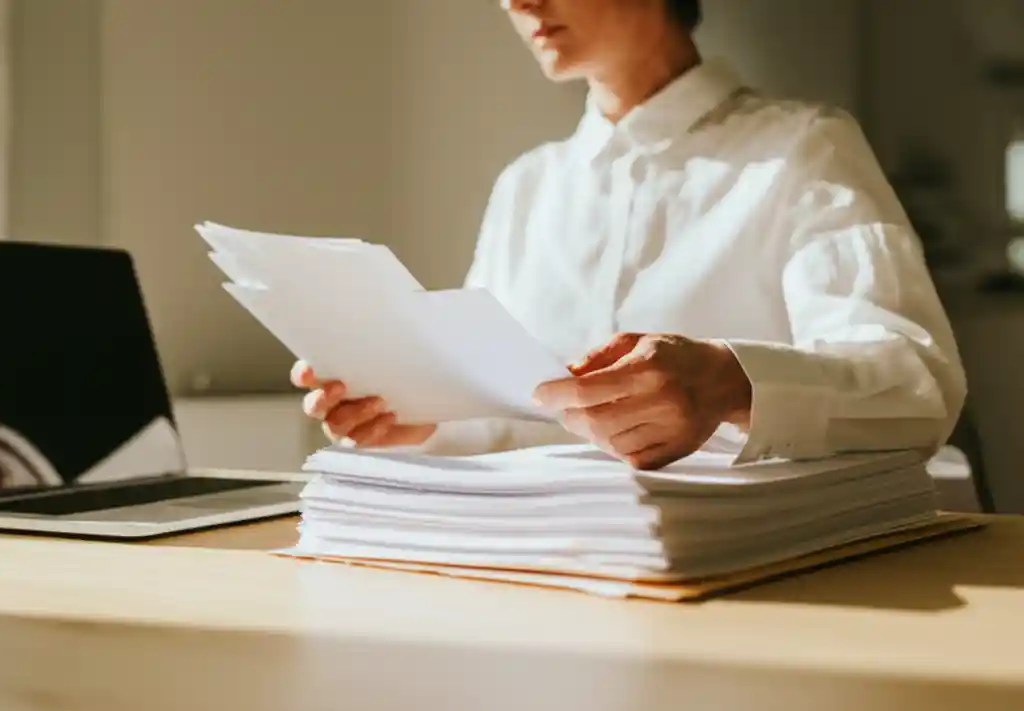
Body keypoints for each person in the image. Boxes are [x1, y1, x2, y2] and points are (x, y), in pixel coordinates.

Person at [293, 0, 966, 470]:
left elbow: (918, 387)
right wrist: (423, 418)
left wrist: (735, 384)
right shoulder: (527, 188)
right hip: (550, 575)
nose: (515, 2)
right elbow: (514, 415)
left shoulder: (802, 150)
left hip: (749, 590)